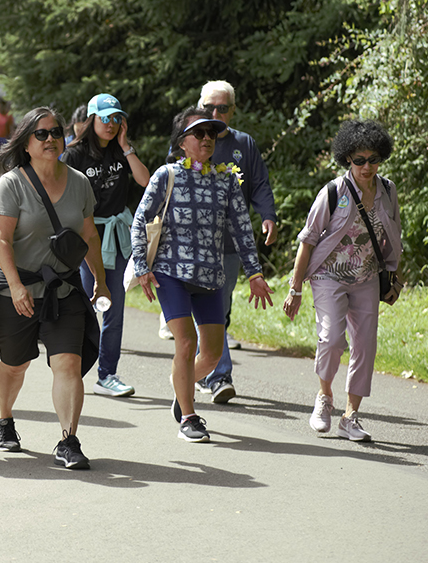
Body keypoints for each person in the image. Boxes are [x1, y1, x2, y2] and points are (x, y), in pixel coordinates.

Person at [0, 107, 108, 470]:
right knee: (15, 364)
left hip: (65, 291)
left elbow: (88, 236)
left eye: (56, 132)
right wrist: (18, 286)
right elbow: (1, 240)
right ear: (26, 142)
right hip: (18, 291)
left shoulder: (79, 182)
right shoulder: (12, 183)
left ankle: (69, 440)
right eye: (42, 134)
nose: (51, 139)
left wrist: (99, 280)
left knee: (68, 364)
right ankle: (4, 418)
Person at [131, 108, 275, 443]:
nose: (208, 139)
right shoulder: (166, 176)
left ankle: (181, 385)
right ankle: (190, 416)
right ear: (183, 143)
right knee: (186, 342)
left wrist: (255, 272)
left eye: (212, 134)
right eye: (200, 134)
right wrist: (142, 266)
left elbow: (241, 228)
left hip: (211, 275)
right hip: (171, 271)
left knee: (211, 354)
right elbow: (140, 221)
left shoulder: (226, 180)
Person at [284, 119, 403, 442]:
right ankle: (324, 397)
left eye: (373, 159)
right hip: (328, 276)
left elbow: (394, 237)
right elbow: (307, 240)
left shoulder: (388, 191)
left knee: (365, 346)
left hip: (366, 278)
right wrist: (295, 289)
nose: (367, 167)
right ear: (347, 160)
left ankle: (351, 417)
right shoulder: (334, 192)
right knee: (332, 338)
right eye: (359, 160)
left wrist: (395, 277)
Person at [184, 80, 280, 404]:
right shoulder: (190, 141)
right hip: (196, 246)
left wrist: (268, 216)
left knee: (219, 308)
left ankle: (203, 367)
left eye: (222, 108)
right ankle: (219, 375)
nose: (214, 114)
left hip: (230, 246)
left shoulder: (244, 144)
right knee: (209, 307)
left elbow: (260, 185)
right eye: (209, 108)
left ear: (232, 110)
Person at [61, 93, 150, 398]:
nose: (111, 125)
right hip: (86, 238)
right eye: (106, 118)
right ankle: (71, 368)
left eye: (117, 119)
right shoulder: (73, 154)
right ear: (91, 120)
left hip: (116, 237)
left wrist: (126, 147)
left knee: (113, 307)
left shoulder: (120, 152)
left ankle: (107, 374)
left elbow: (145, 181)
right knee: (86, 304)